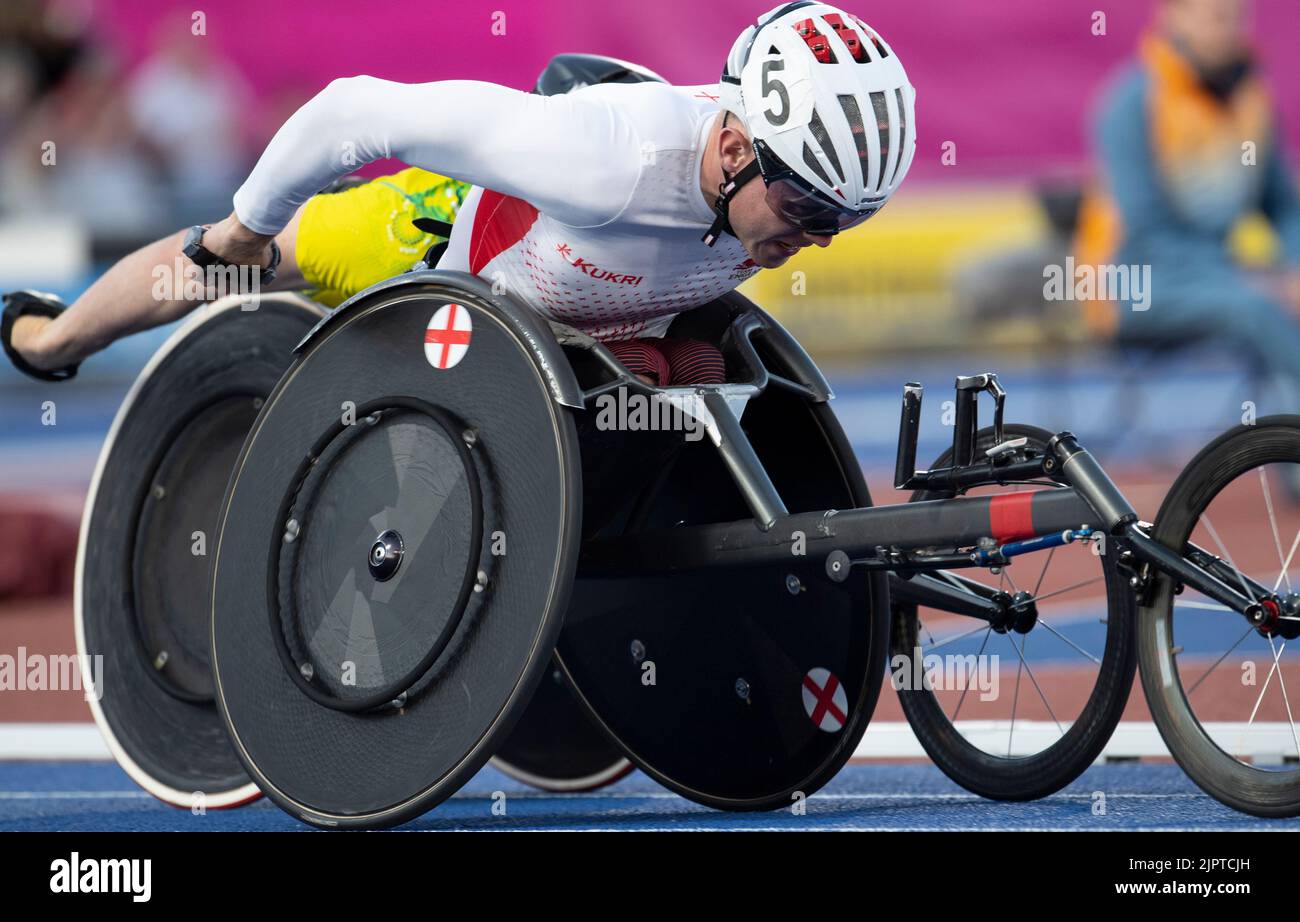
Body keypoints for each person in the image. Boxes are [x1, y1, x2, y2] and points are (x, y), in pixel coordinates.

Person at [4, 2, 915, 388]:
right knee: (227, 267)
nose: (821, 242)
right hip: (439, 245)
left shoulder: (767, 193)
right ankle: (46, 339)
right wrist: (246, 229)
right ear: (731, 145)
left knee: (683, 376)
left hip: (579, 319)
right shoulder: (604, 157)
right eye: (807, 213)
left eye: (844, 222)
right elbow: (353, 110)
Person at [1073, 0, 1300, 389]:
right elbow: (1149, 233)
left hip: (1218, 278)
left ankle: (1277, 440)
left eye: (1235, 17)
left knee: (1270, 304)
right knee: (1259, 309)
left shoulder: (1250, 100)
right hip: (1136, 285)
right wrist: (1251, 280)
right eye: (1215, 16)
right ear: (1174, 17)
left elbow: (1283, 207)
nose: (1228, 29)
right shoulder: (1131, 103)